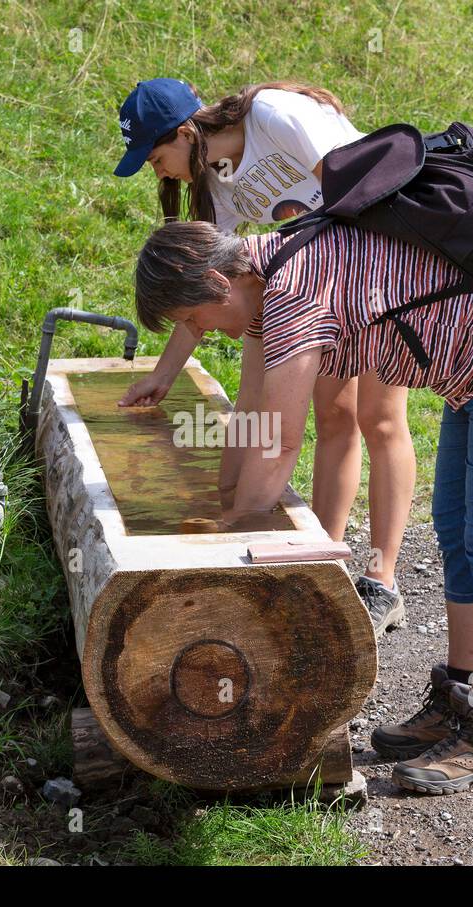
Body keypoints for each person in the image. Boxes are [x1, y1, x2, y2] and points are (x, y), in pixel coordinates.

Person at [130, 217, 473, 796]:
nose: (202, 332)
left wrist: (228, 542)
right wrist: (226, 508)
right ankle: (461, 696)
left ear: (220, 284)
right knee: (457, 530)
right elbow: (257, 415)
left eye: (194, 320)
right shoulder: (267, 268)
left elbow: (280, 445)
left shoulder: (293, 291)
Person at [110, 77, 413, 636]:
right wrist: (162, 375)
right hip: (301, 287)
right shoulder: (216, 182)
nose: (159, 172)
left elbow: (364, 188)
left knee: (373, 417)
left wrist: (334, 295)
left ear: (184, 132)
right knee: (316, 414)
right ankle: (321, 561)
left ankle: (381, 579)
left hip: (380, 268)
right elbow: (204, 294)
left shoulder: (273, 116)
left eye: (156, 158)